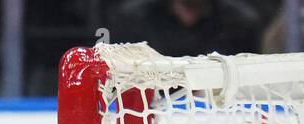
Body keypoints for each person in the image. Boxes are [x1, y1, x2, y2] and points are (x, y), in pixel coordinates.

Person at [108, 0, 262, 58]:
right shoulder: (132, 19)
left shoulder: (241, 22)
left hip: (222, 118)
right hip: (149, 114)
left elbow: (253, 85)